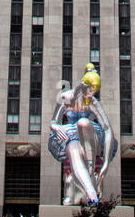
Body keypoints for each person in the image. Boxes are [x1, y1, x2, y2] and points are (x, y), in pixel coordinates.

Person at [47, 64, 118, 205]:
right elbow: (54, 121)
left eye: (94, 91)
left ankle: (91, 176)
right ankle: (92, 194)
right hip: (71, 137)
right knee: (73, 151)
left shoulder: (92, 102)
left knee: (83, 123)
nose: (92, 94)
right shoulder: (66, 97)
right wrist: (55, 127)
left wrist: (106, 163)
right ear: (83, 86)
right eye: (91, 90)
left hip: (91, 137)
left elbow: (107, 129)